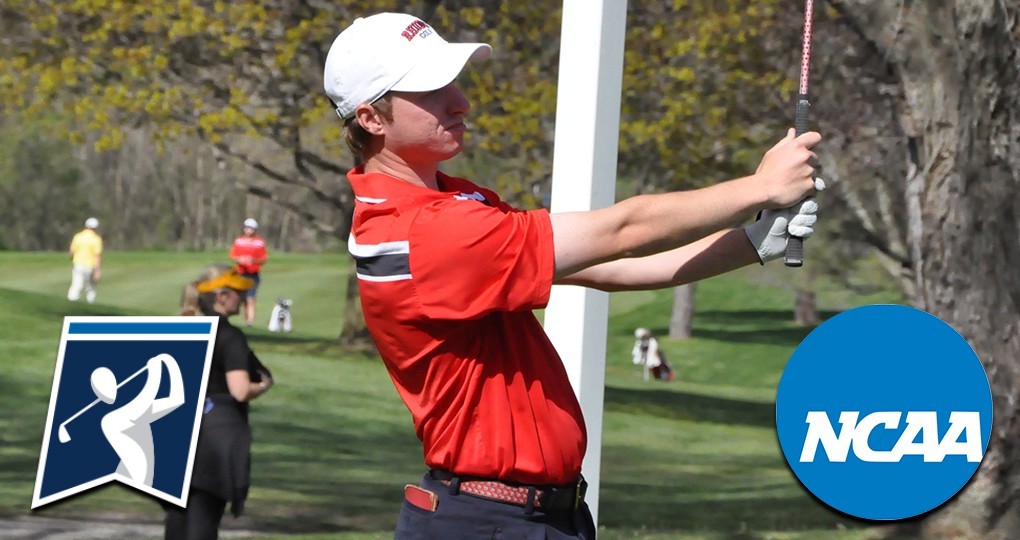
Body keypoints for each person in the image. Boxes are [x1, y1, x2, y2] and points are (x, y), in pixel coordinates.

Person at [323, 12, 822, 539]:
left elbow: (610, 266)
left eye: (452, 82)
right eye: (430, 90)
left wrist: (751, 242)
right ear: (372, 120)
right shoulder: (429, 230)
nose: (460, 102)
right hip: (488, 522)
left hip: (531, 516)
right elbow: (622, 230)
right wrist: (760, 187)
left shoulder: (452, 202)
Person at [166, 264, 274, 540]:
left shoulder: (182, 329)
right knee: (204, 519)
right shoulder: (229, 336)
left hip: (176, 432)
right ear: (222, 296)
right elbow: (238, 391)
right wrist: (262, 385)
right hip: (215, 438)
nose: (242, 297)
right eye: (238, 292)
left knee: (178, 519)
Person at [229, 218, 268, 326]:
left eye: (251, 229)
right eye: (247, 228)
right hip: (240, 273)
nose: (248, 231)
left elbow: (264, 259)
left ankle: (250, 321)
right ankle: (245, 319)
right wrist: (239, 259)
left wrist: (254, 260)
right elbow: (233, 255)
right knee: (242, 298)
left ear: (254, 230)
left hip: (252, 274)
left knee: (250, 298)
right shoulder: (239, 241)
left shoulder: (259, 243)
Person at [67, 217, 103, 304]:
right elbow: (97, 256)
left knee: (76, 285)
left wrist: (72, 258)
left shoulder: (78, 236)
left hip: (78, 264)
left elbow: (72, 252)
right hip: (90, 266)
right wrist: (97, 271)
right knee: (90, 288)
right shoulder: (96, 239)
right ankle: (90, 304)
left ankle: (71, 303)